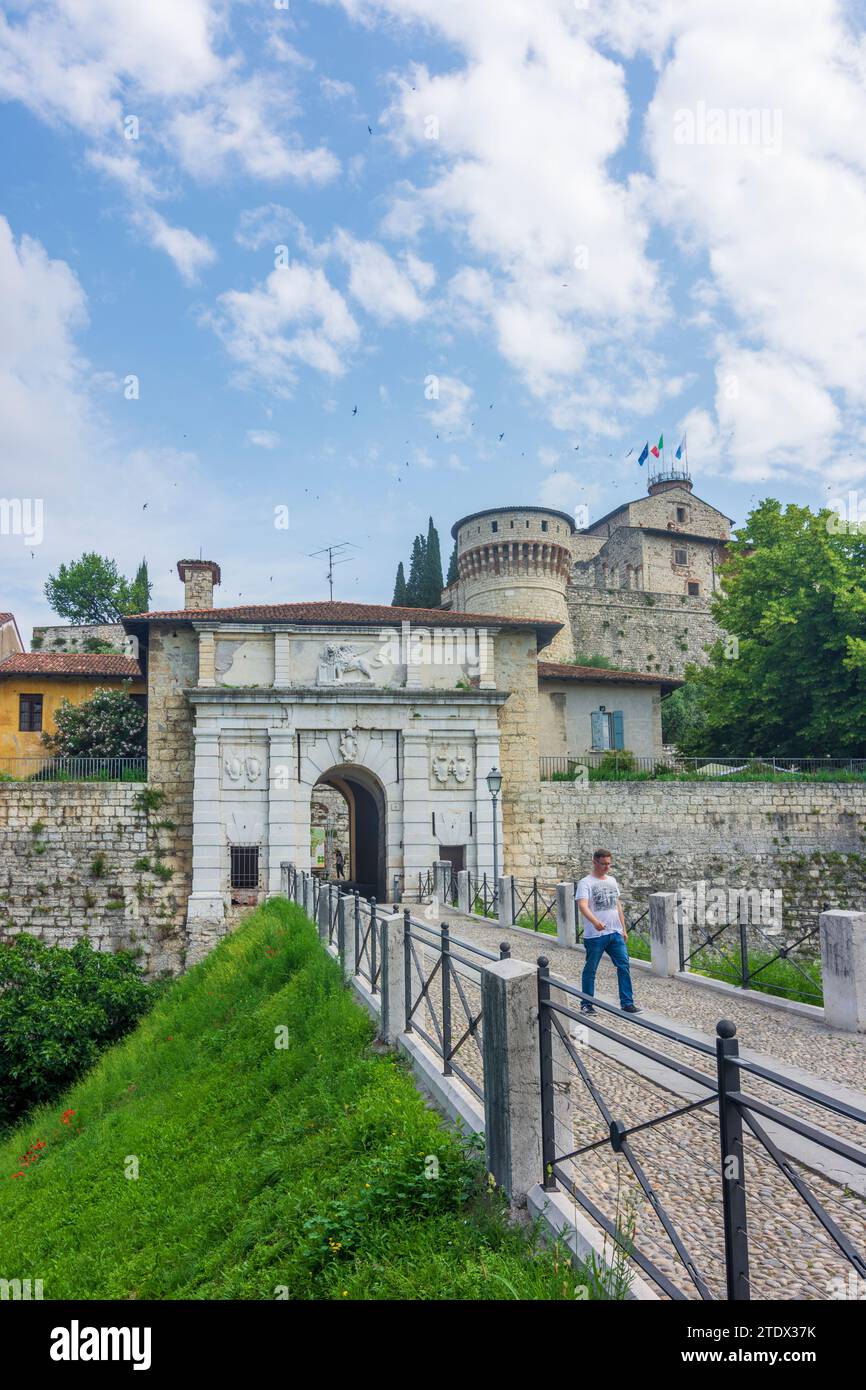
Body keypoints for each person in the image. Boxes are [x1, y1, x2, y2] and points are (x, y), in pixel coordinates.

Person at [575, 849, 641, 1016]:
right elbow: (582, 905)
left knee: (624, 966)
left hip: (615, 932)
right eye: (603, 864)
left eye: (608, 864)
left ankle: (627, 1003)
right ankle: (586, 1004)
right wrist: (595, 922)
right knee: (591, 969)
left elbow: (617, 905)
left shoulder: (612, 880)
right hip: (595, 935)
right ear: (595, 862)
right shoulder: (586, 882)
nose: (606, 867)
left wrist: (623, 929)